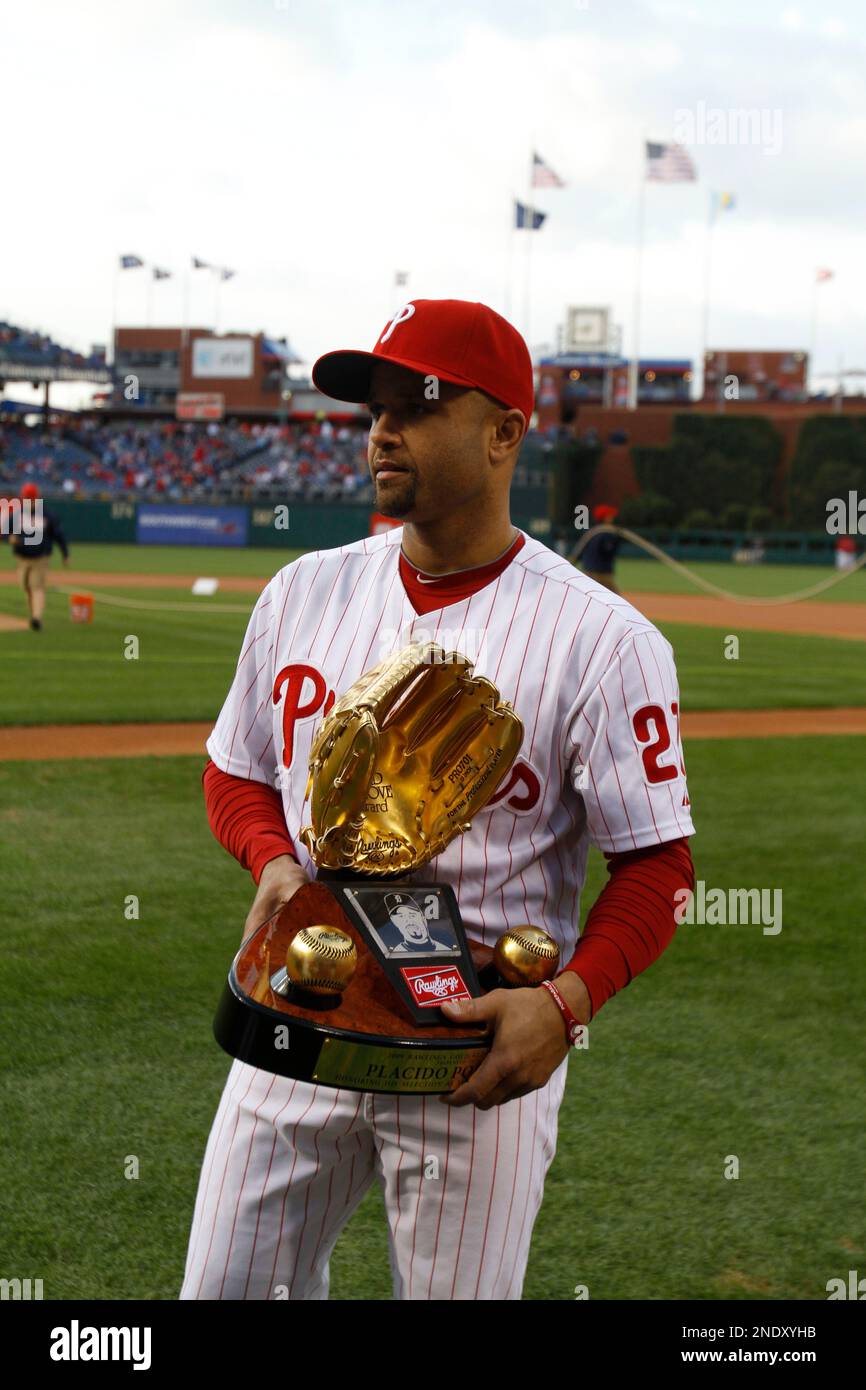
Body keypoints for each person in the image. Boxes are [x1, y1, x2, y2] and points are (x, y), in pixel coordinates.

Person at [180, 299, 695, 1301]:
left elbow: (658, 866)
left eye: (416, 405)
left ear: (503, 433)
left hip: (476, 1051)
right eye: (374, 408)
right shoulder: (301, 592)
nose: (382, 429)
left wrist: (565, 1003)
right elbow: (235, 768)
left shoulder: (604, 639)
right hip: (302, 1014)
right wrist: (272, 861)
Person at [4, 481, 69, 630]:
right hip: (22, 558)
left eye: (31, 499)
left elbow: (58, 535)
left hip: (40, 558)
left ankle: (36, 618)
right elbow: (6, 533)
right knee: (26, 587)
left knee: (37, 587)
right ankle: (33, 614)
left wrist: (65, 554)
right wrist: (10, 538)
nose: (29, 501)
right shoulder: (17, 515)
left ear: (37, 498)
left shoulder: (47, 515)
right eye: (26, 498)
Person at [580, 504, 621, 593]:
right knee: (615, 598)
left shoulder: (591, 531)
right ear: (605, 518)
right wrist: (617, 539)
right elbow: (608, 551)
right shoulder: (606, 533)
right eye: (610, 516)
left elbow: (582, 551)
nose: (612, 518)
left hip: (587, 571)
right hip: (601, 574)